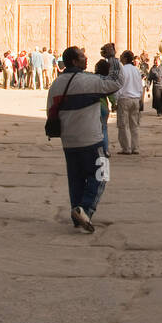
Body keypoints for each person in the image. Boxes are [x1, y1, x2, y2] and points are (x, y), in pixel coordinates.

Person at [47, 46, 123, 233]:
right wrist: (112, 58)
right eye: (82, 56)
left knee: (76, 180)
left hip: (69, 140)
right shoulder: (89, 81)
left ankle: (78, 216)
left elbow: (50, 112)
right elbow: (116, 81)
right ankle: (85, 209)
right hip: (90, 139)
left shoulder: (56, 84)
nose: (86, 58)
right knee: (102, 173)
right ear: (74, 61)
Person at [115, 50, 143, 155]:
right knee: (134, 125)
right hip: (135, 99)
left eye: (122, 56)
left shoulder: (122, 70)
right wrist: (140, 98)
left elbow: (119, 85)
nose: (120, 58)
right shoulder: (136, 70)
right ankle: (135, 147)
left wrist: (116, 99)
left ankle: (126, 148)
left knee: (123, 124)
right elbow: (140, 85)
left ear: (125, 59)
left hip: (124, 98)